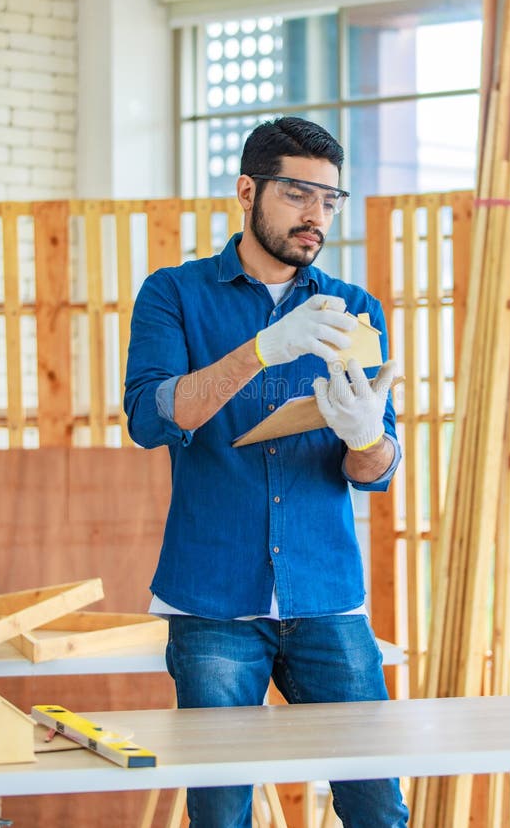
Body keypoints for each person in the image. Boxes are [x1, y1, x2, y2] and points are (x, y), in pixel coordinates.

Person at [124, 116, 409, 828]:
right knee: (221, 814)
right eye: (298, 194)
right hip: (211, 600)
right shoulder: (174, 295)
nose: (317, 216)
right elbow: (152, 417)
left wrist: (367, 436)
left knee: (377, 807)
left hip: (327, 596)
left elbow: (375, 470)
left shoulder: (354, 310)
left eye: (331, 199)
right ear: (248, 191)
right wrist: (262, 350)